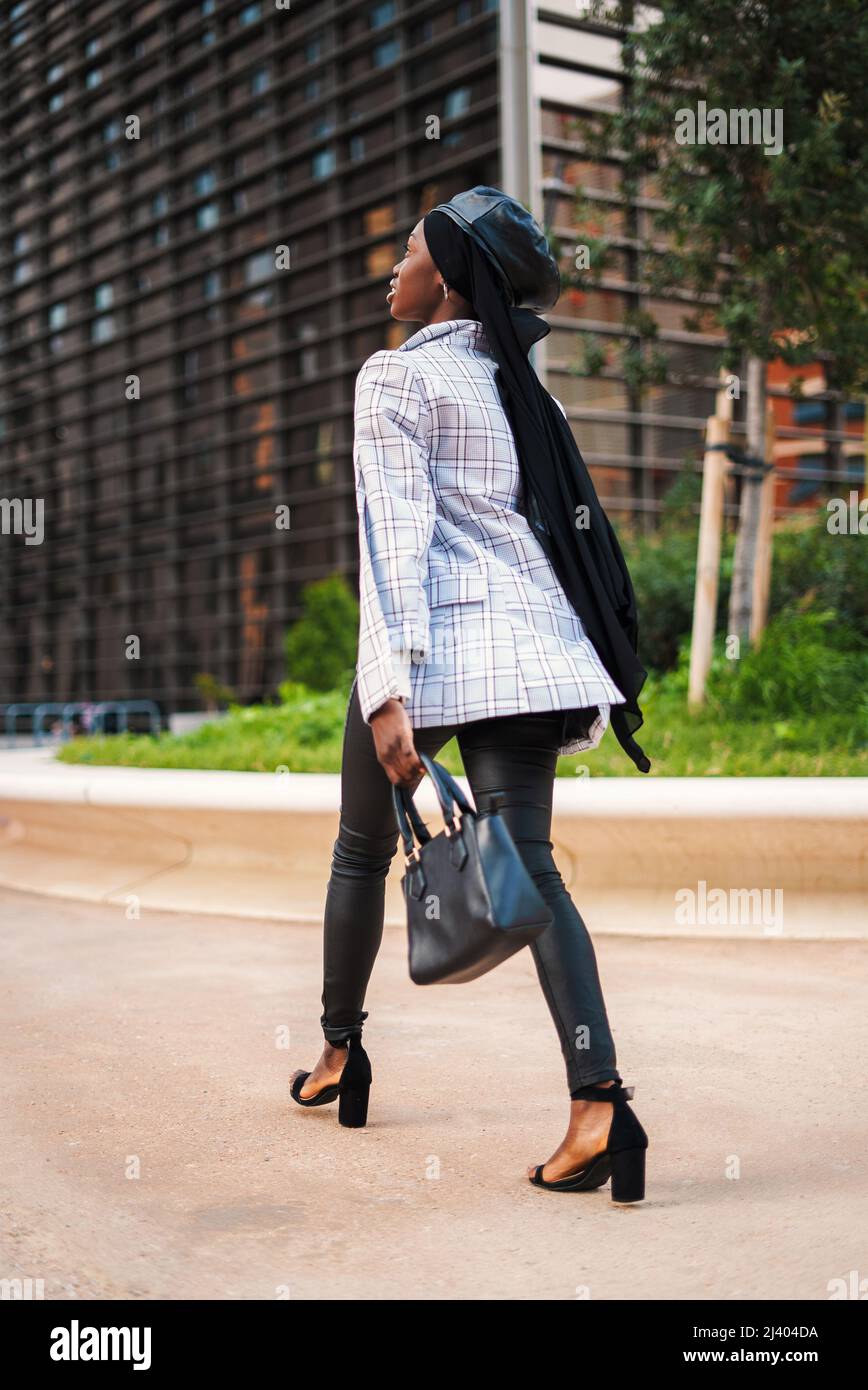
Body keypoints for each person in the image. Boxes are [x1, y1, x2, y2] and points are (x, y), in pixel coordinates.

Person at [290, 187, 650, 1201]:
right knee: (529, 870)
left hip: (444, 653)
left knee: (362, 847)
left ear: (445, 277)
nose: (389, 271)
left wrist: (386, 693)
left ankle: (338, 1053)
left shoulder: (394, 380)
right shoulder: (531, 394)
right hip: (538, 659)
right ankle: (599, 1106)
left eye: (405, 252)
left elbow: (391, 544)